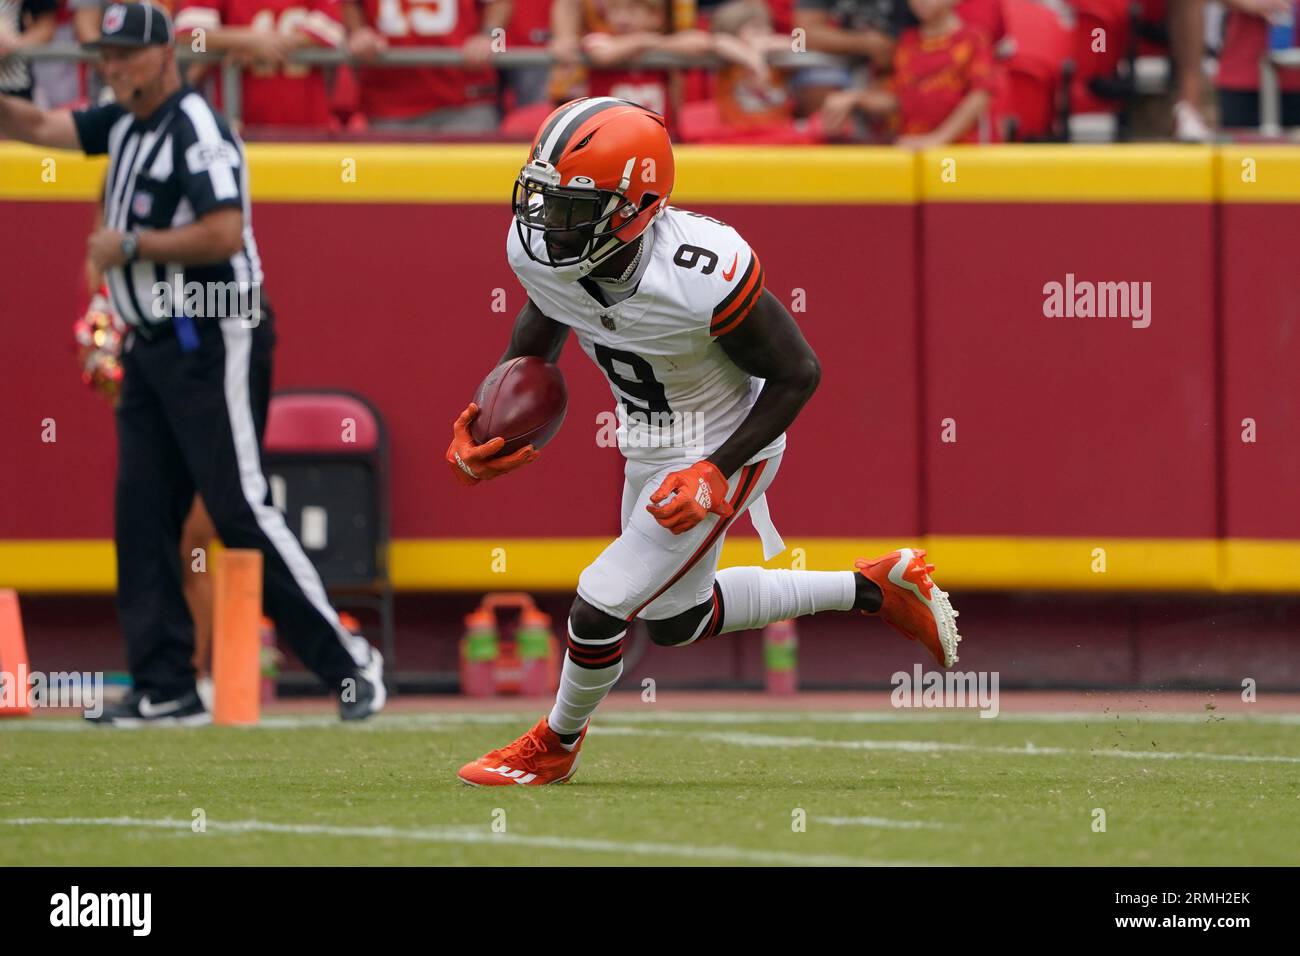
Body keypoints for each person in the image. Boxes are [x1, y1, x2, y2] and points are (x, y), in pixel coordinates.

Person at [447, 97, 962, 786]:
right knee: (676, 621)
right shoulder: (542, 251)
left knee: (601, 599)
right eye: (545, 197)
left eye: (574, 207)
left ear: (634, 208)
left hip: (727, 440)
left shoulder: (699, 271)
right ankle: (874, 589)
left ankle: (554, 745)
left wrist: (716, 471)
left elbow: (797, 373)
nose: (549, 223)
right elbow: (543, 330)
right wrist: (492, 422)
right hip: (646, 441)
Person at [0, 1, 385, 725]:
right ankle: (165, 683)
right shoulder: (123, 122)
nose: (111, 68)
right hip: (153, 341)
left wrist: (136, 245)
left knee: (238, 506)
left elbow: (224, 229)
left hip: (211, 331)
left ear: (164, 54)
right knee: (142, 514)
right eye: (104, 57)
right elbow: (37, 127)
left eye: (124, 56)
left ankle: (347, 661)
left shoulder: (195, 126)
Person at [819, 0, 996, 146]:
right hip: (913, 149)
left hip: (961, 154)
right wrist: (854, 98)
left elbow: (980, 96)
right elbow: (898, 99)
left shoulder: (974, 39)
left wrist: (939, 139)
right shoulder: (908, 42)